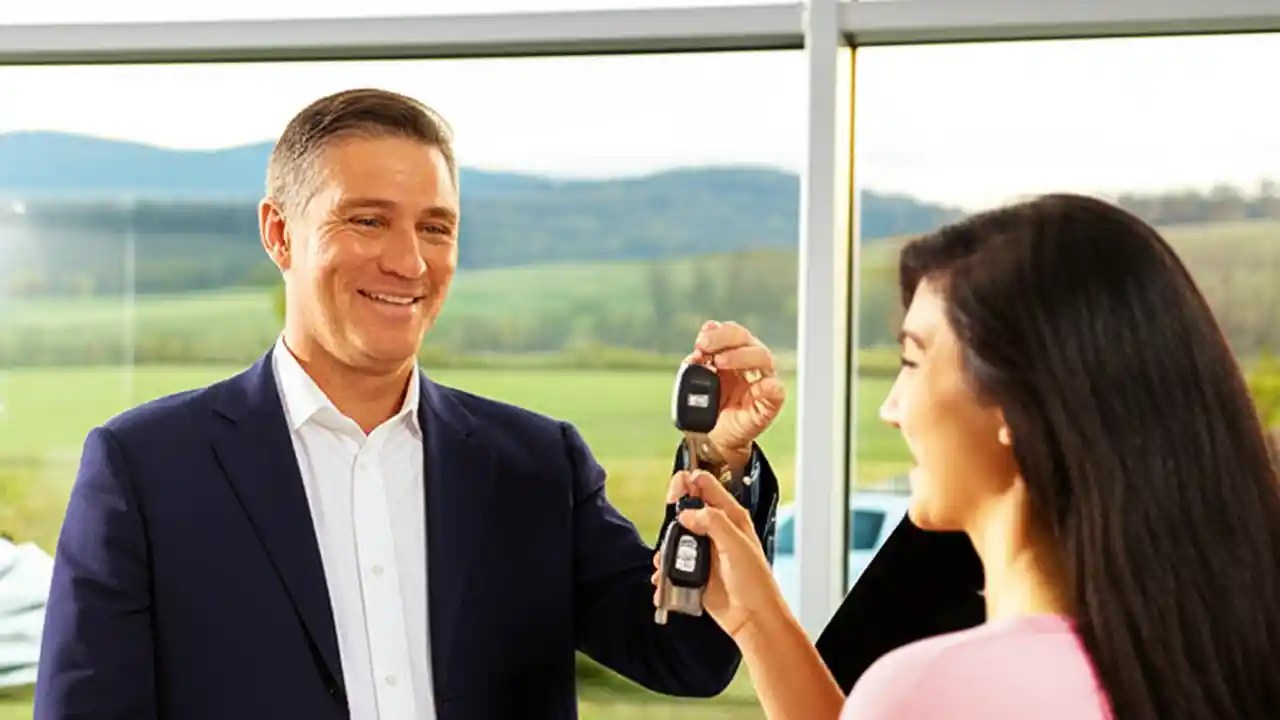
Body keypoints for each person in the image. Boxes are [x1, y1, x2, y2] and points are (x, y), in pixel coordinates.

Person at [33, 88, 788, 719]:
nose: (409, 261)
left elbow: (686, 655)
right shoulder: (147, 470)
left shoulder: (535, 465)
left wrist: (716, 461)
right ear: (279, 233)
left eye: (436, 228)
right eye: (368, 220)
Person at [658, 193, 1280, 719]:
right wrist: (757, 619)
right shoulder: (1209, 657)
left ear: (1012, 405)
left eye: (911, 361)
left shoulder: (931, 688)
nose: (892, 408)